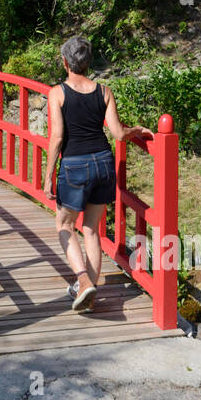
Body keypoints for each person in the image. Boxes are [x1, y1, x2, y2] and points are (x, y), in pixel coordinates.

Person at [42, 35, 152, 312]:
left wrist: (47, 175)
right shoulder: (104, 91)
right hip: (103, 162)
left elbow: (56, 137)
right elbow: (116, 133)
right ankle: (88, 291)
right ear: (88, 63)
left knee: (65, 225)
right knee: (91, 230)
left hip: (75, 165)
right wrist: (133, 131)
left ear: (65, 62)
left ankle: (82, 280)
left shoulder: (58, 93)